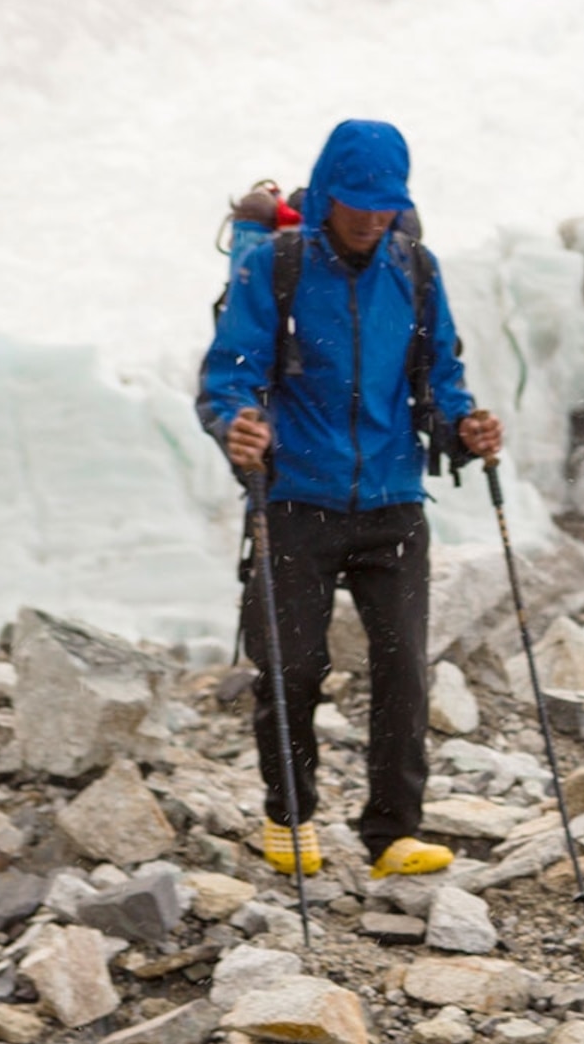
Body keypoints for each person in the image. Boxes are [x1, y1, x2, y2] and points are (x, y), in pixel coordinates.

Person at [198, 118, 502, 882]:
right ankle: (289, 817)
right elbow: (230, 371)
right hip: (298, 498)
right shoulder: (275, 268)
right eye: (359, 202)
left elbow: (440, 377)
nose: (373, 217)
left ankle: (393, 832)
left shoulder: (417, 270)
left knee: (404, 668)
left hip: (394, 501)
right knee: (293, 665)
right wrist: (235, 423)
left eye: (386, 204)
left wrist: (466, 428)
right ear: (329, 193)